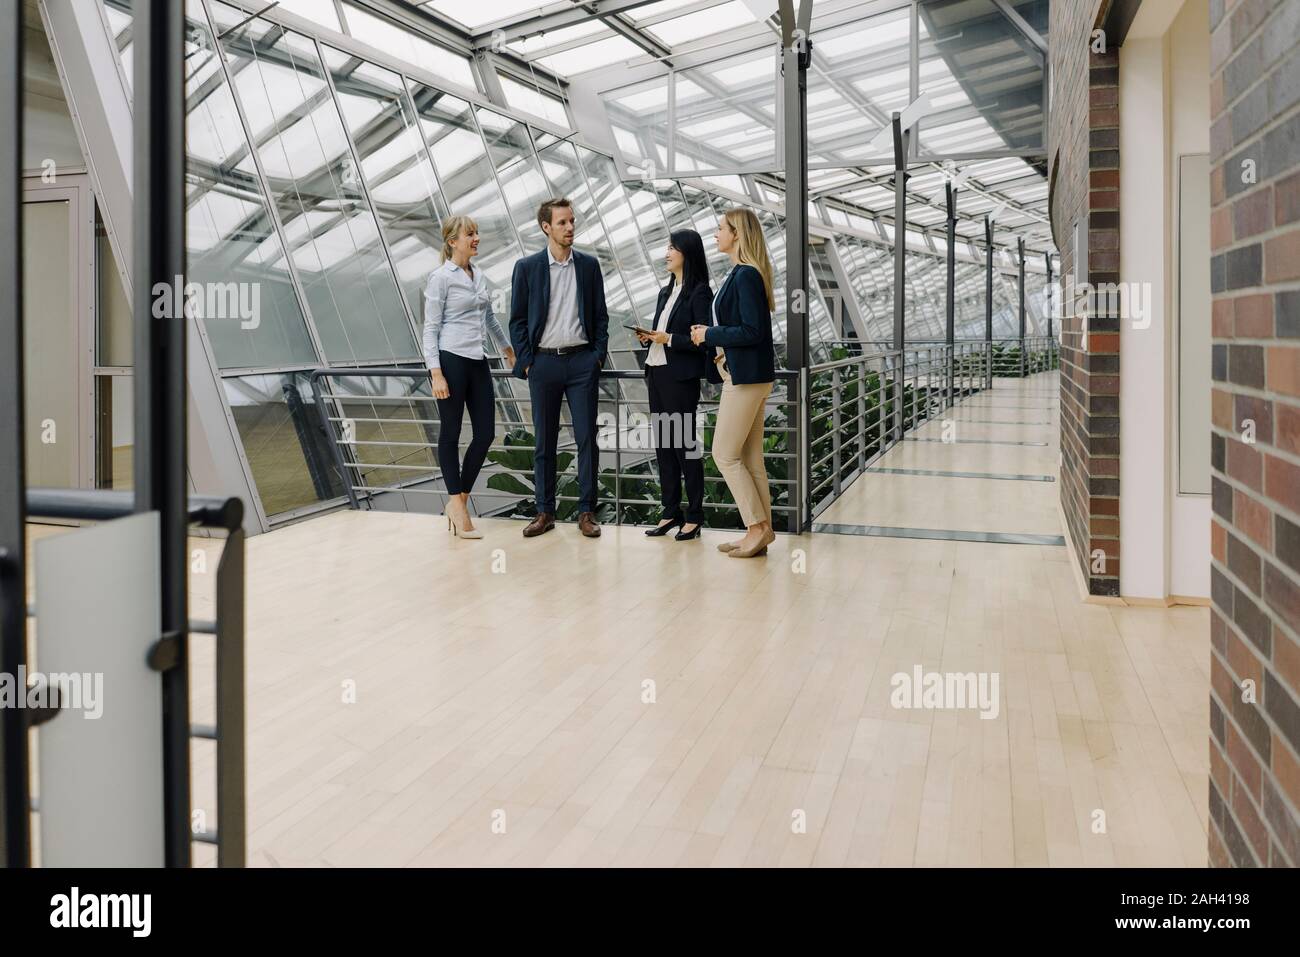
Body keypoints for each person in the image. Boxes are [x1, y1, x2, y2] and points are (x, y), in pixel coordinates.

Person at [509, 197, 610, 539]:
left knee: (586, 440)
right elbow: (518, 320)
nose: (570, 227)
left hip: (582, 362)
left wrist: (597, 355)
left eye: (572, 221)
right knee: (545, 443)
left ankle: (586, 512)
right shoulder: (527, 268)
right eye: (563, 222)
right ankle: (545, 512)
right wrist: (528, 362)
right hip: (544, 364)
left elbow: (600, 316)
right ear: (546, 227)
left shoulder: (589, 266)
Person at [690, 208, 777, 559]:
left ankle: (757, 527)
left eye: (721, 228)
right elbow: (747, 329)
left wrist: (708, 334)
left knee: (723, 454)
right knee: (749, 457)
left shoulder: (745, 276)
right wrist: (719, 345)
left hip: (745, 381)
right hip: (751, 377)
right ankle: (759, 532)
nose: (716, 233)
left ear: (737, 234)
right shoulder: (743, 274)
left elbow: (753, 331)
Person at [423, 215, 514, 539]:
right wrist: (436, 373)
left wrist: (506, 348)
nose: (476, 238)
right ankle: (458, 506)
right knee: (450, 432)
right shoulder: (441, 278)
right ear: (452, 241)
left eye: (477, 233)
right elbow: (431, 328)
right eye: (470, 234)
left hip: (478, 360)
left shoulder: (479, 275)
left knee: (486, 433)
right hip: (450, 360)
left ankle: (458, 501)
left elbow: (488, 316)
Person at [636, 229, 719, 541]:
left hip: (679, 378)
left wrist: (668, 338)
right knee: (664, 449)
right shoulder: (665, 291)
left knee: (685, 447)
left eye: (672, 247)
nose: (667, 253)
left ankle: (694, 516)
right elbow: (664, 333)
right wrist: (651, 336)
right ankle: (670, 512)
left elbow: (702, 340)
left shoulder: (700, 292)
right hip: (656, 373)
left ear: (687, 252)